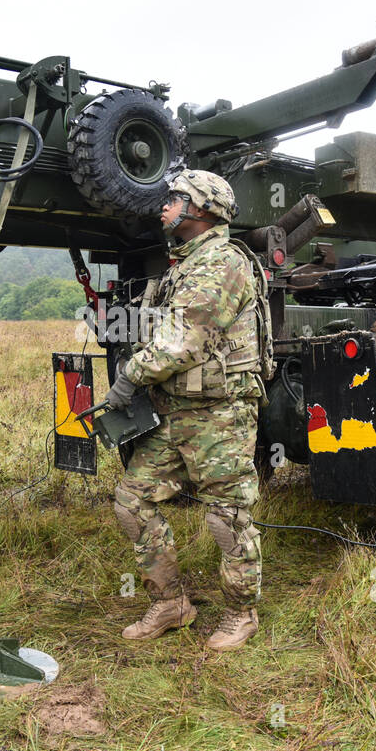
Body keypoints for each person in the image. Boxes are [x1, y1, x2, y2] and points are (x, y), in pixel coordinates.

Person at [104, 170, 267, 651]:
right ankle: (172, 603)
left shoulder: (221, 263)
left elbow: (183, 342)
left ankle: (242, 614)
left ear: (204, 209)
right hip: (174, 412)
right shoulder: (183, 264)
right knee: (132, 501)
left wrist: (130, 376)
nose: (164, 206)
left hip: (220, 414)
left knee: (227, 515)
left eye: (175, 198)